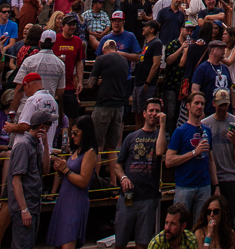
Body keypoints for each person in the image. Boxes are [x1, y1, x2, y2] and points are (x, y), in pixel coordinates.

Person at [114, 95, 168, 249]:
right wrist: (123, 178)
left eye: (157, 111)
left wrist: (163, 125)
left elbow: (160, 151)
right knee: (120, 242)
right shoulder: (131, 137)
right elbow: (118, 165)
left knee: (143, 243)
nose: (153, 114)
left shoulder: (162, 135)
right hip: (128, 196)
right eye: (151, 110)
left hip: (149, 197)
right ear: (144, 113)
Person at [165, 91, 220, 223]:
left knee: (201, 224)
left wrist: (216, 185)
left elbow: (210, 160)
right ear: (188, 106)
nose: (199, 106)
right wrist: (194, 153)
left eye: (202, 104)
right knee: (178, 221)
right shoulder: (180, 131)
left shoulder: (207, 131)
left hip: (204, 185)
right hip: (185, 186)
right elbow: (169, 161)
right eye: (196, 103)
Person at [48, 114, 99, 249]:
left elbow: (83, 181)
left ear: (85, 133)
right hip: (64, 200)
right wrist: (60, 171)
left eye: (76, 133)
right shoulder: (76, 151)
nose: (72, 136)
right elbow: (68, 174)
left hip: (75, 203)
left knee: (68, 242)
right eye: (72, 133)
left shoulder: (90, 152)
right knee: (59, 244)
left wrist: (65, 170)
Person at [7, 109, 51, 249]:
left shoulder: (38, 145)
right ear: (42, 126)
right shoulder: (23, 146)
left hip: (34, 205)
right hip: (24, 207)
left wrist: (46, 145)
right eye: (49, 125)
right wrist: (24, 210)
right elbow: (16, 181)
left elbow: (45, 171)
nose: (50, 128)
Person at [88, 39, 131, 184]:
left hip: (104, 105)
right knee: (112, 147)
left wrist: (98, 82)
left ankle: (95, 181)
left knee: (97, 145)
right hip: (119, 106)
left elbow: (90, 84)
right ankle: (113, 181)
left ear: (104, 49)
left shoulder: (101, 60)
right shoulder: (124, 61)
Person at [200, 88, 235, 216]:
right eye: (220, 105)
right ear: (214, 104)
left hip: (229, 176)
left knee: (227, 215)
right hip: (210, 178)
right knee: (209, 216)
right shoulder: (205, 124)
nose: (223, 108)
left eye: (225, 105)